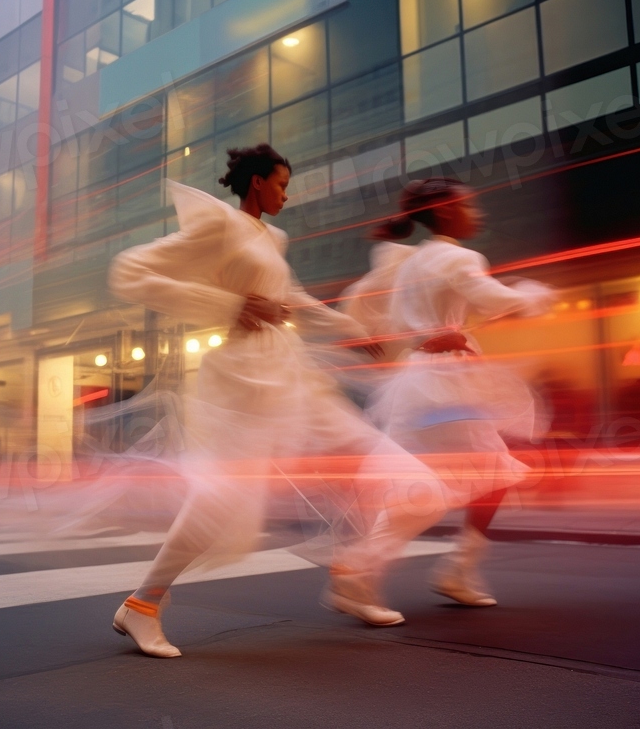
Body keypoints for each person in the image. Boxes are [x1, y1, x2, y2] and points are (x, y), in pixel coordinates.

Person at [107, 145, 453, 658]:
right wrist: (230, 304)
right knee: (223, 499)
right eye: (282, 185)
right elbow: (130, 270)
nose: (287, 196)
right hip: (244, 379)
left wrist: (354, 331)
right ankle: (142, 603)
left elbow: (293, 302)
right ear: (257, 183)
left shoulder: (274, 237)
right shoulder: (219, 225)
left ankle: (353, 577)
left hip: (291, 372)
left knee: (373, 459)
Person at [342, 177, 554, 607]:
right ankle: (369, 569)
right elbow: (491, 299)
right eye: (469, 205)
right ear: (444, 210)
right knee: (462, 480)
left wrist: (431, 333)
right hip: (446, 385)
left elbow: (383, 312)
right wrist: (533, 294)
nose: (477, 214)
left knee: (463, 476)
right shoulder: (460, 257)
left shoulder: (409, 264)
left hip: (416, 382)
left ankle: (436, 569)